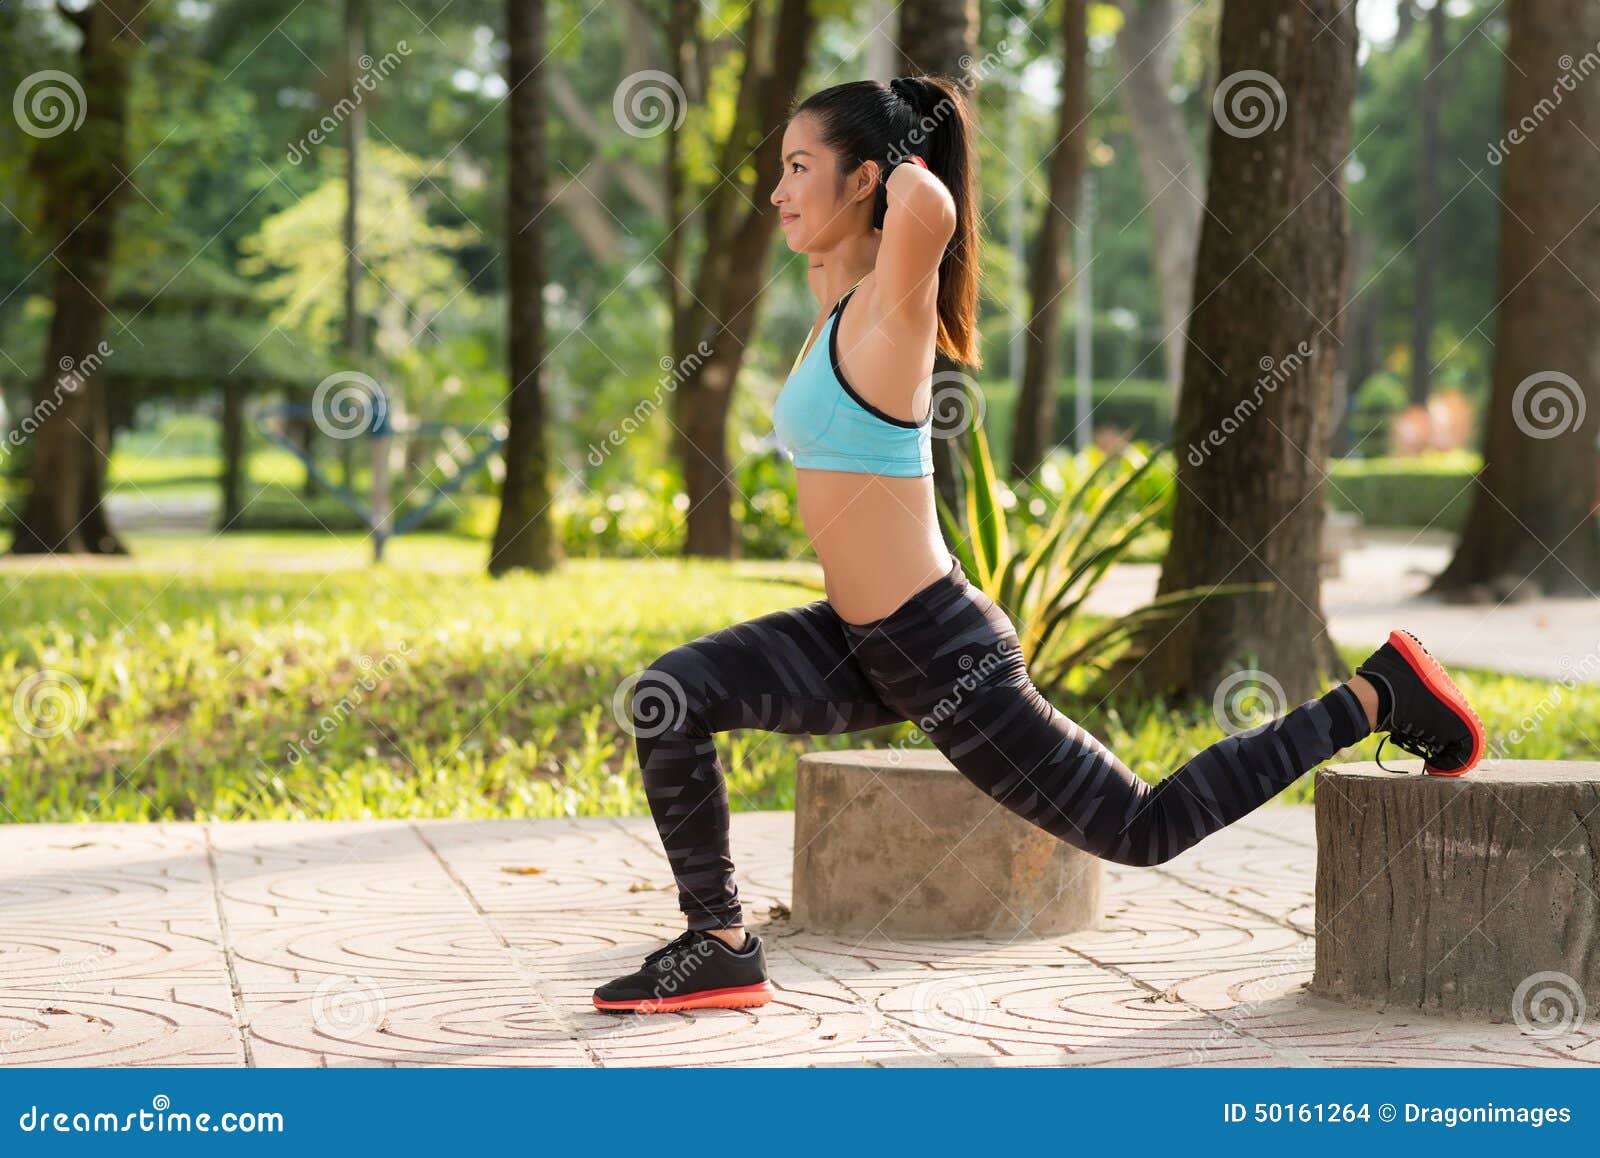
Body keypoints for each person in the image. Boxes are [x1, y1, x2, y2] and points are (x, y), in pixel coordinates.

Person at [591, 76, 1486, 1015]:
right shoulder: (834, 298)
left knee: (1143, 828)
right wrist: (851, 174)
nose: (776, 190)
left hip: (937, 650)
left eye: (799, 168)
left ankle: (1378, 693)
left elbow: (930, 203)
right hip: (857, 641)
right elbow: (873, 214)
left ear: (865, 180)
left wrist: (900, 156)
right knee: (670, 695)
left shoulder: (894, 306)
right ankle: (720, 942)